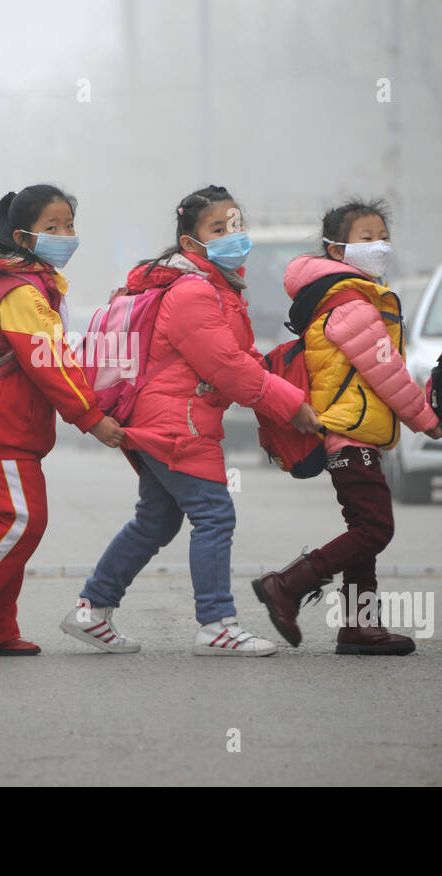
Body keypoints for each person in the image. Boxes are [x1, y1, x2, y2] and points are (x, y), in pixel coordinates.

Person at [60, 185, 320, 657]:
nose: (231, 237)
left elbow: (240, 359)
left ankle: (92, 610)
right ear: (190, 243)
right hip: (176, 423)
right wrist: (289, 404)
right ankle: (216, 624)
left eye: (235, 226)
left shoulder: (216, 289)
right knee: (214, 516)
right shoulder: (193, 293)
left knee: (156, 521)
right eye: (217, 229)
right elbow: (229, 368)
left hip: (163, 418)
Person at [0, 184, 124, 657]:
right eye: (52, 228)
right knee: (21, 520)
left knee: (1, 522)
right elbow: (49, 361)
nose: (66, 235)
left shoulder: (26, 284)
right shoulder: (19, 292)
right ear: (22, 237)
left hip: (2, 424)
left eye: (69, 225)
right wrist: (91, 418)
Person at [252, 199, 442, 655]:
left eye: (383, 236)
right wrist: (427, 420)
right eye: (366, 238)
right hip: (349, 431)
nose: (378, 246)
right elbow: (387, 371)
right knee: (375, 529)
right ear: (337, 250)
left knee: (363, 530)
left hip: (356, 431)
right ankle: (287, 584)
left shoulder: (349, 296)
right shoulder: (352, 304)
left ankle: (359, 625)